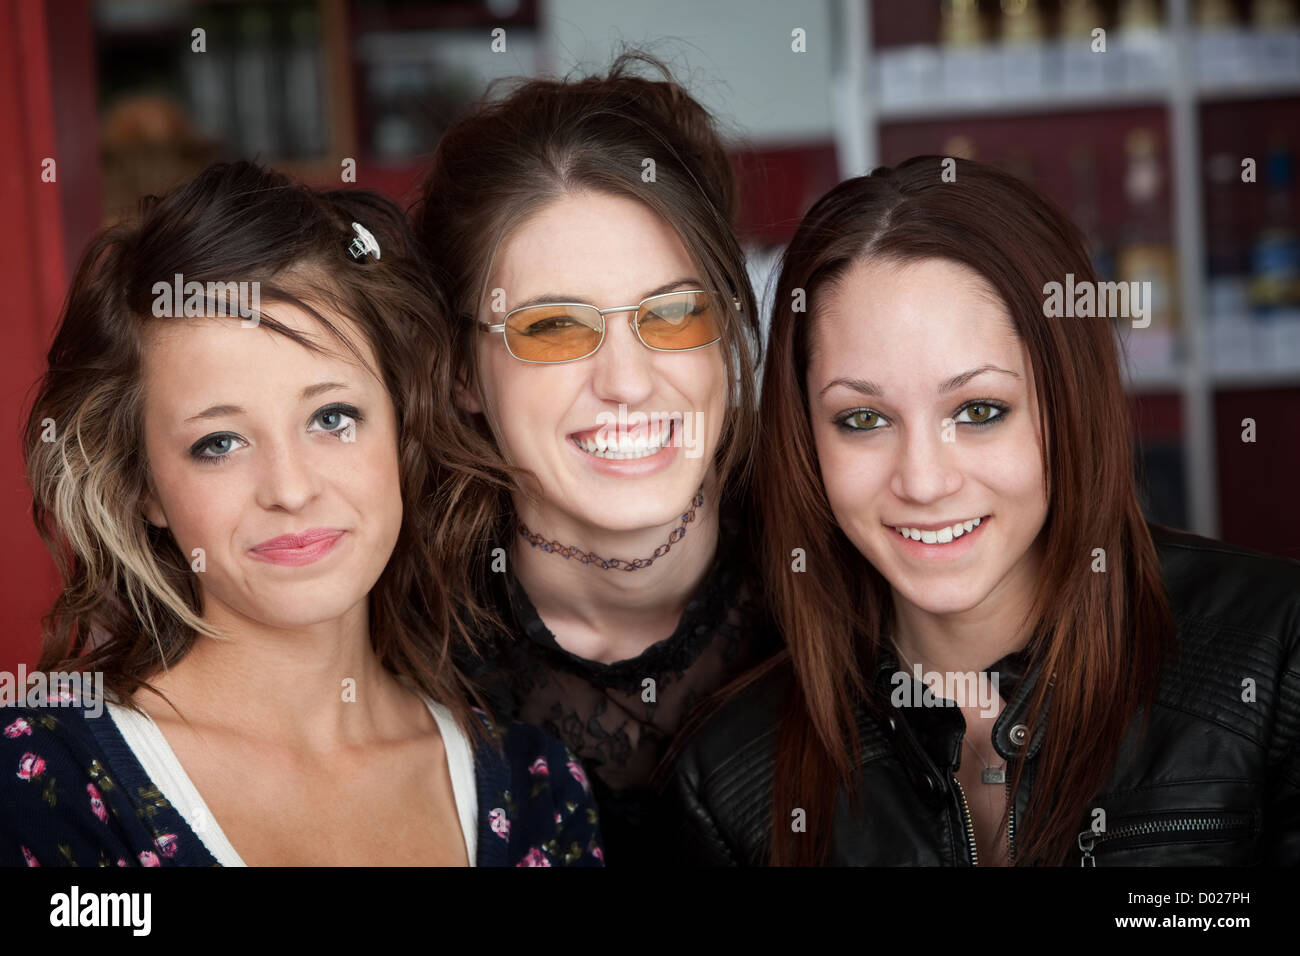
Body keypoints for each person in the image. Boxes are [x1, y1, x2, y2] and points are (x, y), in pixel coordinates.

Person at [661, 156, 1300, 866]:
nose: (925, 481)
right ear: (805, 438)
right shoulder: (730, 779)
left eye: (979, 410)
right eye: (863, 419)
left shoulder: (1278, 658)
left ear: (1069, 405)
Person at [1, 160, 602, 867]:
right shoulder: (45, 786)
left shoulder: (539, 794)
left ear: (402, 427)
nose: (289, 489)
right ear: (145, 489)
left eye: (333, 417)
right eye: (218, 443)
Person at [410, 52, 781, 864]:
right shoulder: (401, 642)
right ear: (464, 372)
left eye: (676, 313)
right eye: (552, 327)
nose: (626, 382)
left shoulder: (845, 571)